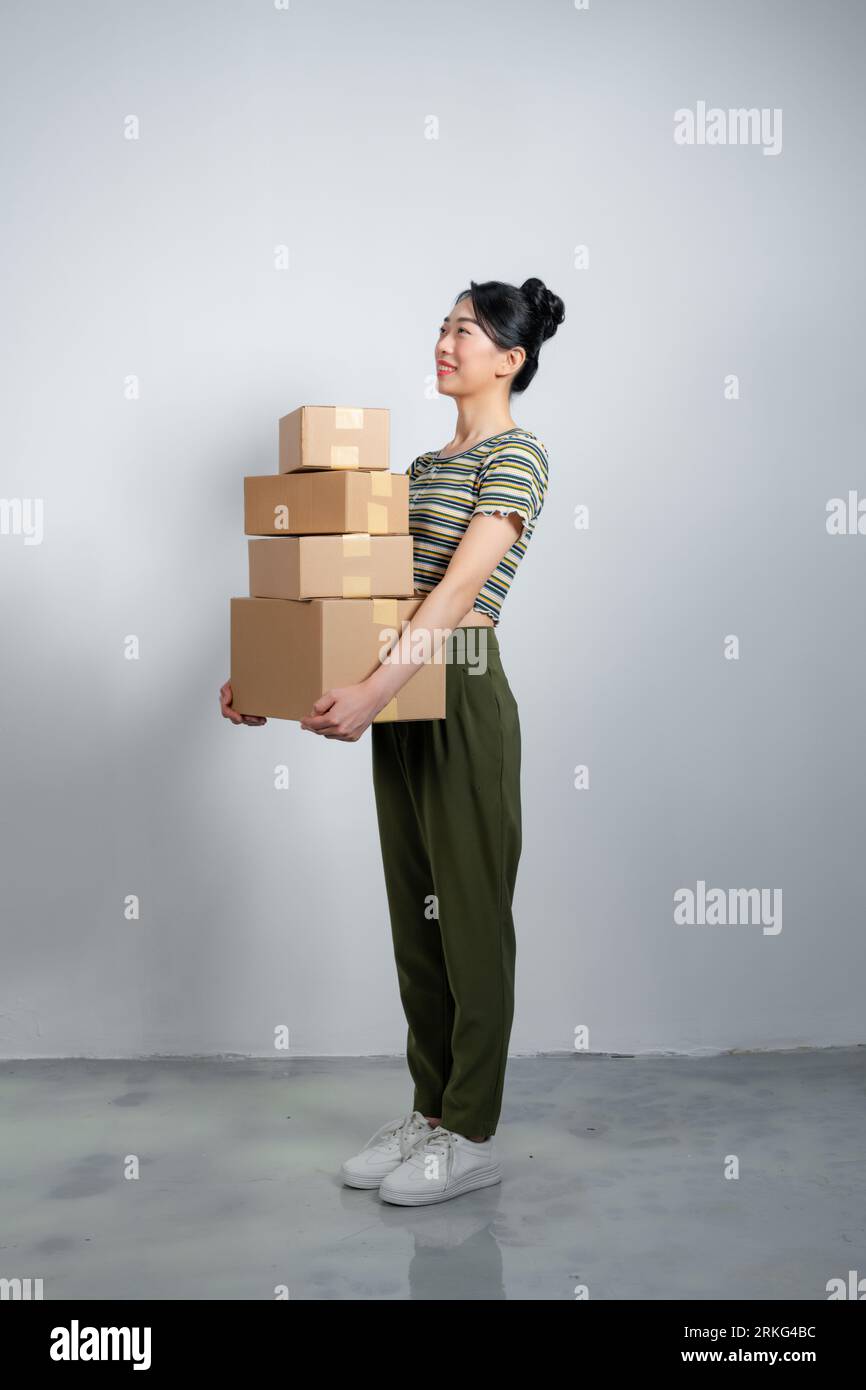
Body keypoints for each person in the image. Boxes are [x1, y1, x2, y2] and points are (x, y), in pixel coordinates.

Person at [220, 276, 564, 1205]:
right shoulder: (417, 467)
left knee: (473, 917)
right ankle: (430, 1111)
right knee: (419, 911)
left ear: (511, 358)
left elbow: (455, 595)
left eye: (468, 332)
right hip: (401, 693)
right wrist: (267, 677)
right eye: (444, 327)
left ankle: (473, 1128)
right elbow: (353, 593)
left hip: (463, 684)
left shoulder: (519, 456)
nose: (447, 343)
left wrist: (373, 688)